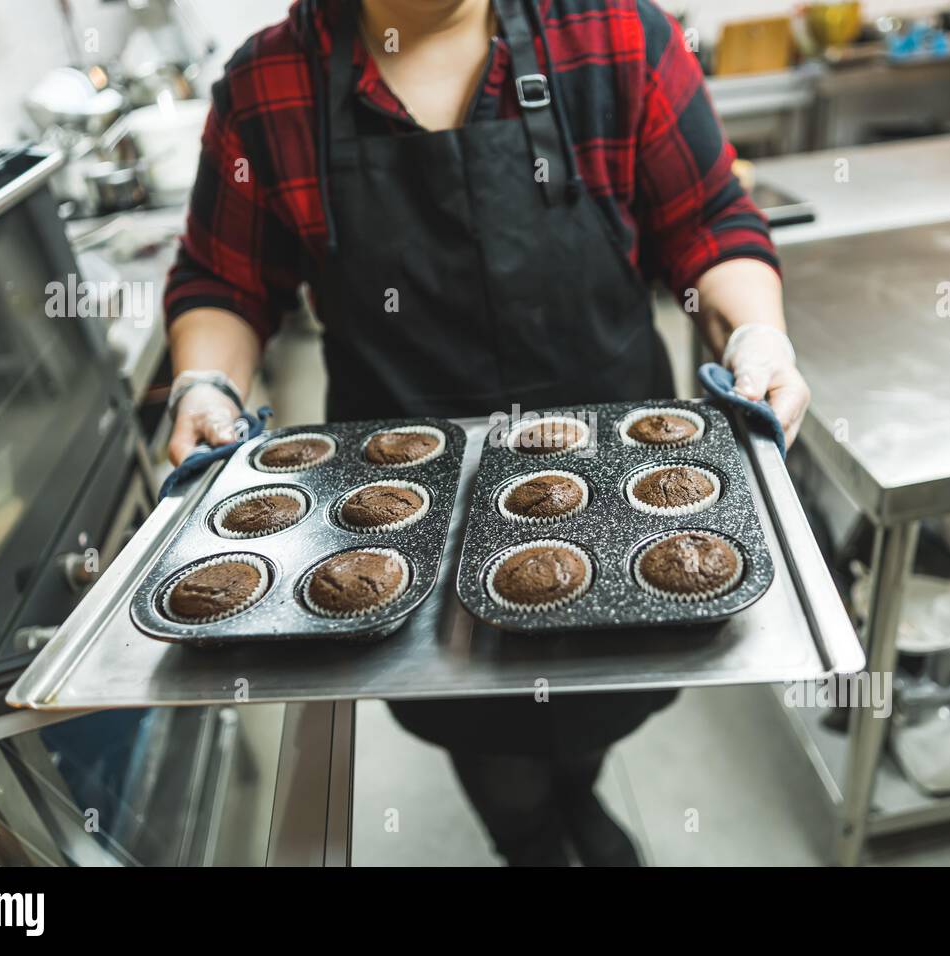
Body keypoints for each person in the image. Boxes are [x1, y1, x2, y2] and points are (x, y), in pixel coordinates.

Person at [163, 0, 810, 866]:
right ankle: (529, 837)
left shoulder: (615, 36)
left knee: (593, 709)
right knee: (489, 740)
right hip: (396, 518)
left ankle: (578, 792)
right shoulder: (266, 85)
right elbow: (224, 280)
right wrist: (206, 381)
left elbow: (709, 221)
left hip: (615, 489)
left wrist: (756, 333)